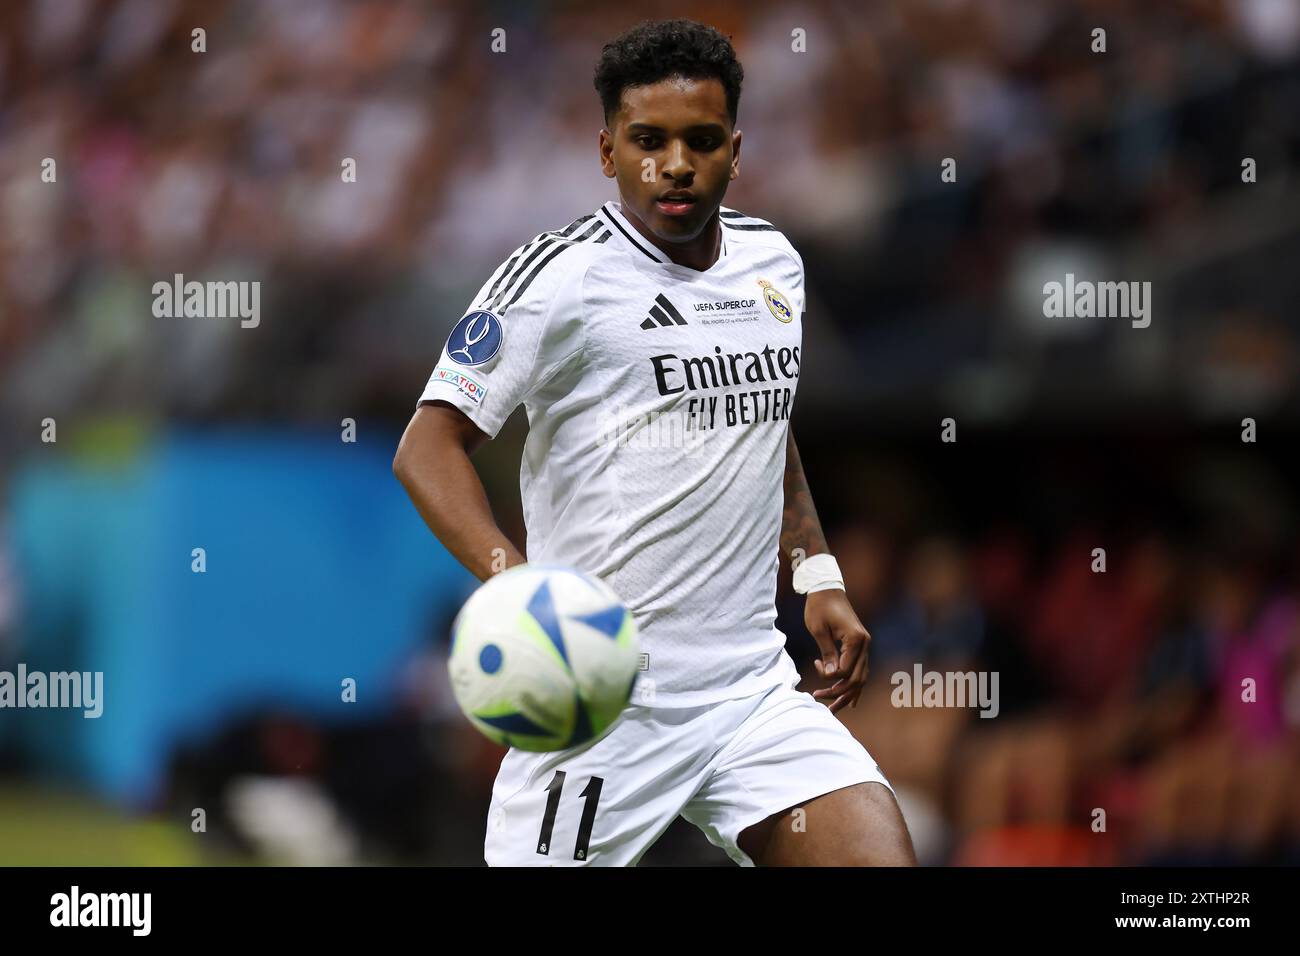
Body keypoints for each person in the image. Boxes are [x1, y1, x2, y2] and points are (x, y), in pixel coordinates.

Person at [393, 17, 915, 866]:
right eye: (648, 141)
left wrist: (816, 573)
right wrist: (517, 587)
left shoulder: (773, 263)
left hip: (749, 691)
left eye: (701, 141)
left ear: (735, 151)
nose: (675, 163)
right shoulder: (559, 275)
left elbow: (763, 425)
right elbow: (426, 446)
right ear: (608, 151)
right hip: (601, 701)